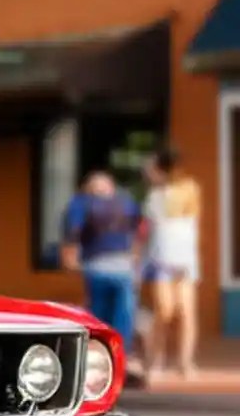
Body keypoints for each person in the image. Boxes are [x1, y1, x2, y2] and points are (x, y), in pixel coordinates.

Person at [61, 171, 142, 367]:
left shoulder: (81, 203)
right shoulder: (125, 203)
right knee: (123, 311)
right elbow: (138, 232)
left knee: (101, 311)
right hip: (120, 266)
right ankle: (120, 353)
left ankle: (101, 353)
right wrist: (135, 258)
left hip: (100, 265)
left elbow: (72, 232)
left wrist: (69, 258)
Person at [142, 149, 202, 380]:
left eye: (152, 169)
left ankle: (185, 362)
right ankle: (155, 360)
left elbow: (182, 213)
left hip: (185, 259)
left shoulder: (188, 188)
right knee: (164, 310)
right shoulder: (154, 196)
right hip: (161, 259)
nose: (148, 173)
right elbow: (149, 228)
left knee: (186, 312)